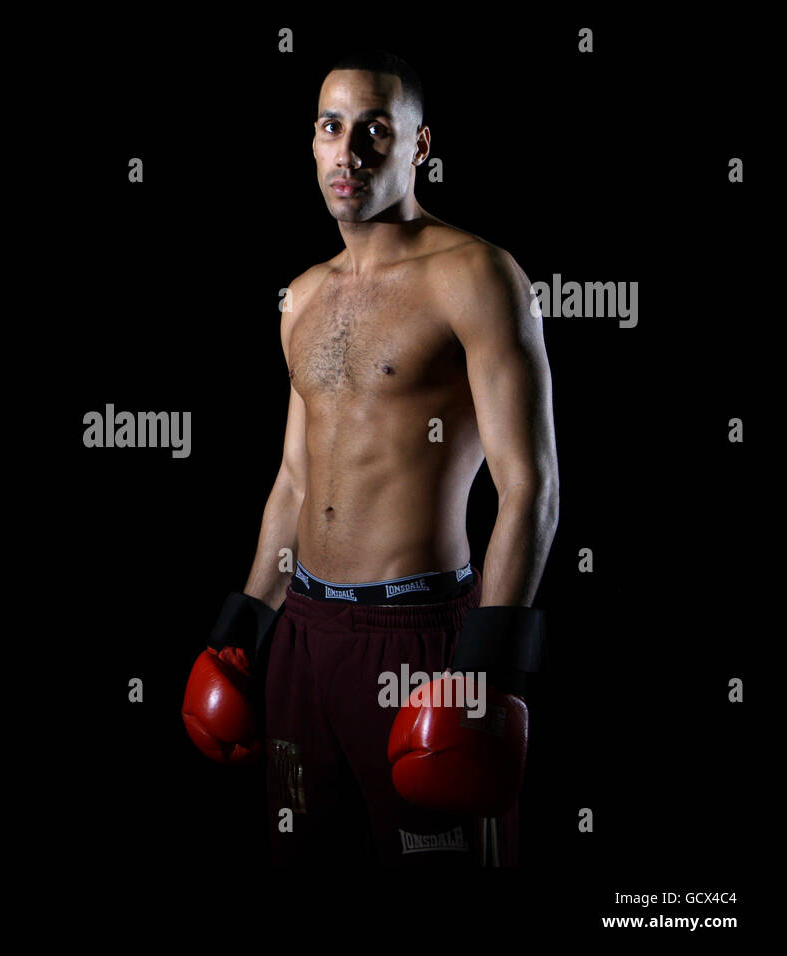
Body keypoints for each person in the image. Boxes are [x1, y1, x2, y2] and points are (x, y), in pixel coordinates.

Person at [193, 51, 558, 866]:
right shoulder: (302, 295)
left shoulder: (475, 274)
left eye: (374, 131)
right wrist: (243, 632)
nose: (349, 151)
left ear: (418, 145)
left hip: (419, 638)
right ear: (313, 142)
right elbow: (294, 479)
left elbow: (530, 485)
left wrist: (484, 672)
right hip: (304, 636)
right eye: (332, 128)